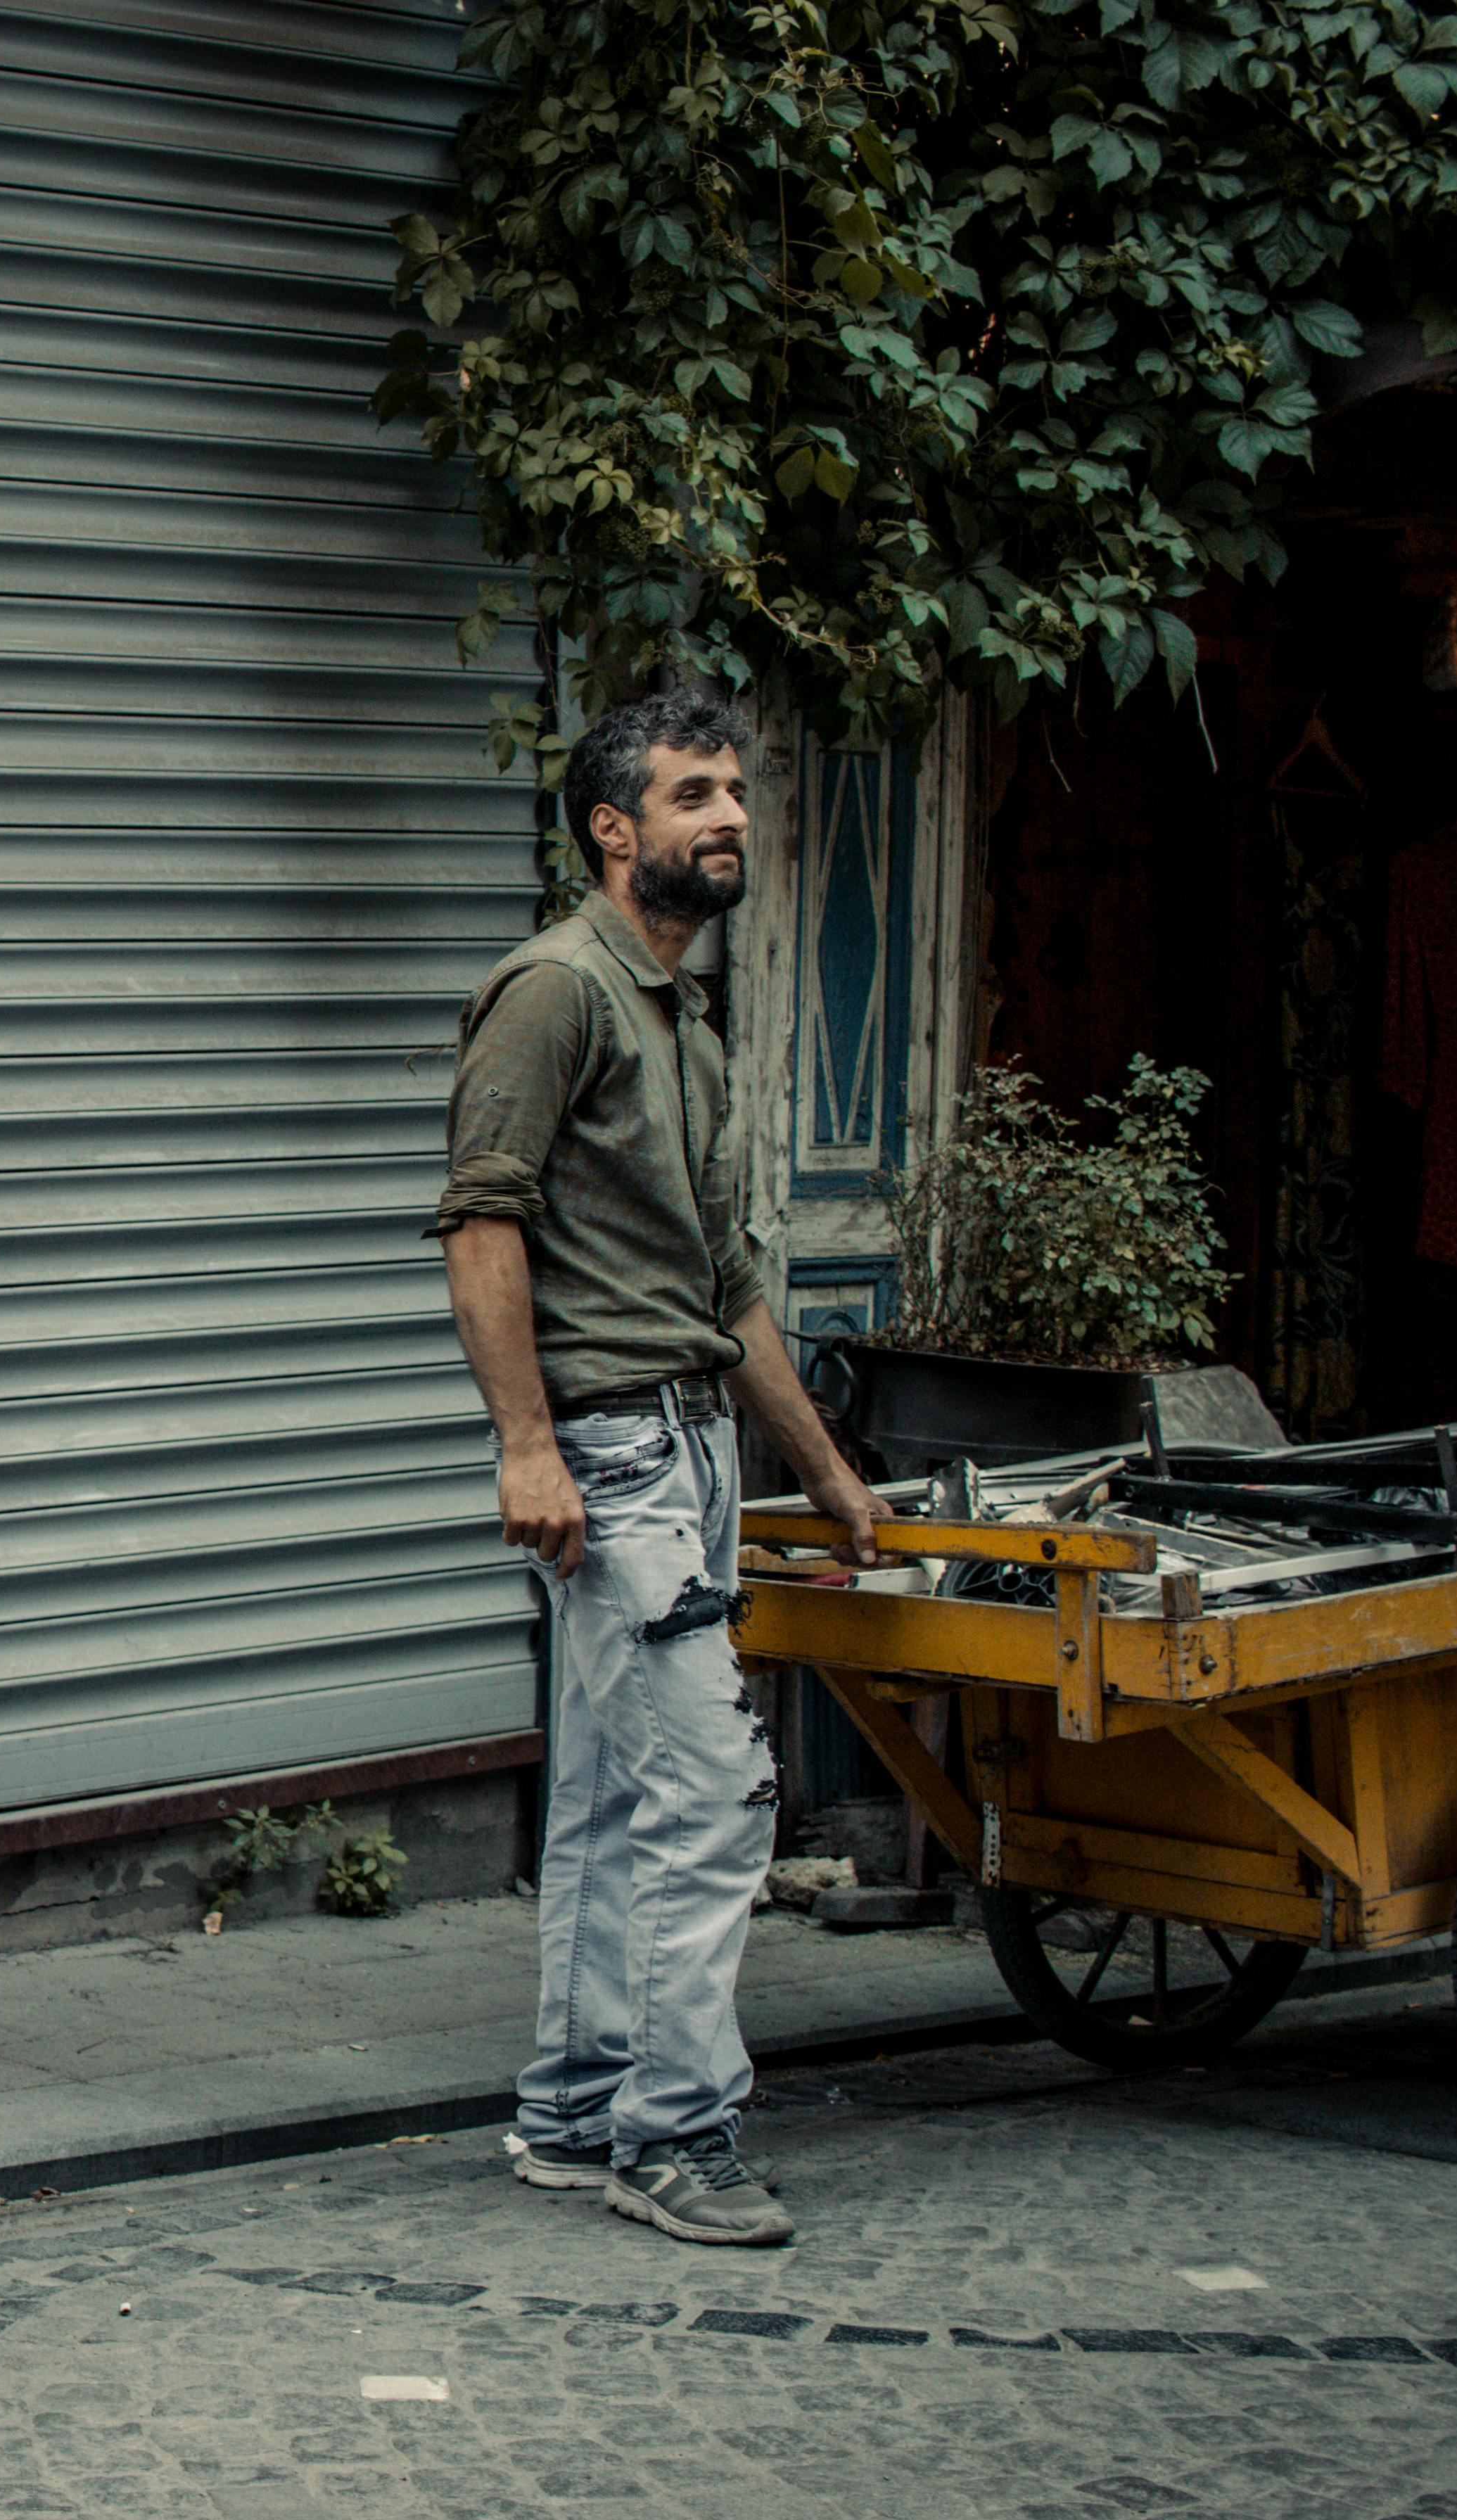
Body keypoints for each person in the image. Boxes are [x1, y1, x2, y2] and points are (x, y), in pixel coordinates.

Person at [433, 687, 886, 2248]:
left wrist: (825, 1474)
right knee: (718, 1795)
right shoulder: (556, 990)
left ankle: (573, 2109)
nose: (731, 818)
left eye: (738, 793)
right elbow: (480, 1220)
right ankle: (676, 2133)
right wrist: (525, 1445)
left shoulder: (681, 1012)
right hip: (612, 1453)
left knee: (620, 1802)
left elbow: (731, 1286)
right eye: (694, 793)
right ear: (615, 828)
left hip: (683, 1440)